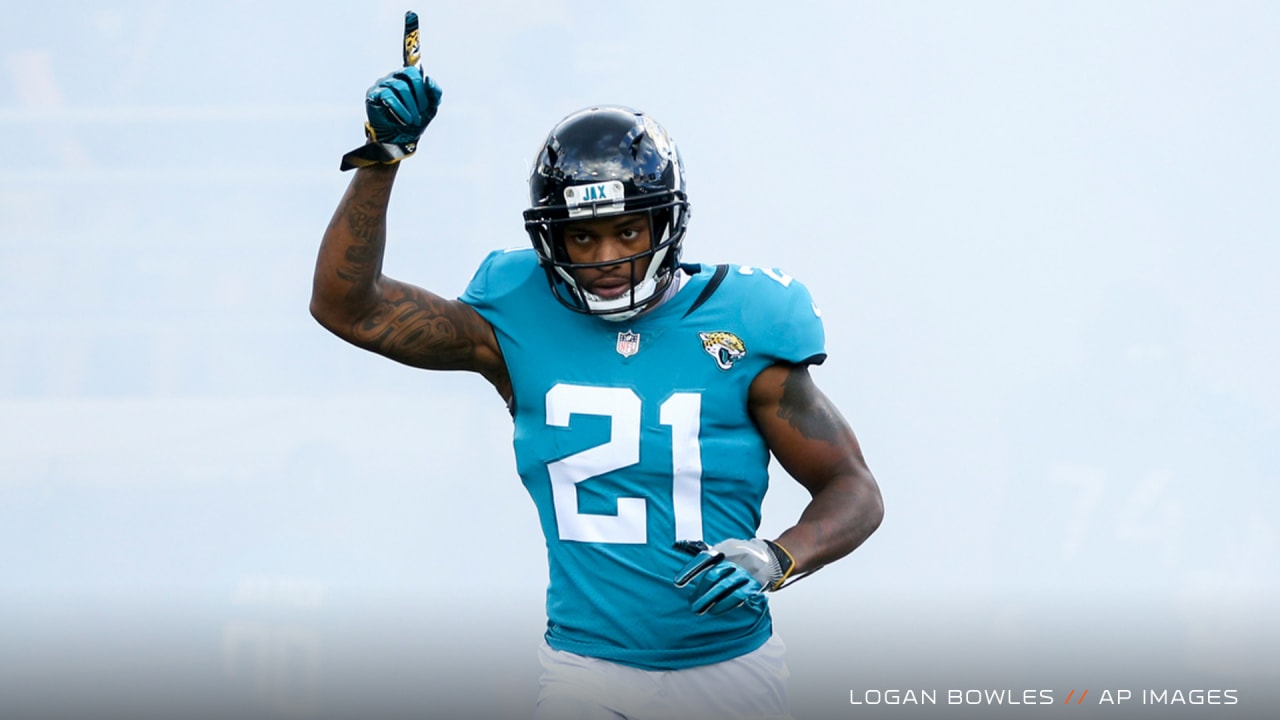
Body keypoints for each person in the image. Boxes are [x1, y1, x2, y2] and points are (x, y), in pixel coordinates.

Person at [310, 59, 884, 720]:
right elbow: (348, 308)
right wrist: (383, 157)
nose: (607, 257)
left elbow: (853, 487)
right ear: (551, 237)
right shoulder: (517, 313)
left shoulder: (744, 319)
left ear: (665, 224)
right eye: (582, 236)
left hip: (731, 670)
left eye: (626, 231)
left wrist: (778, 555)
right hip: (587, 670)